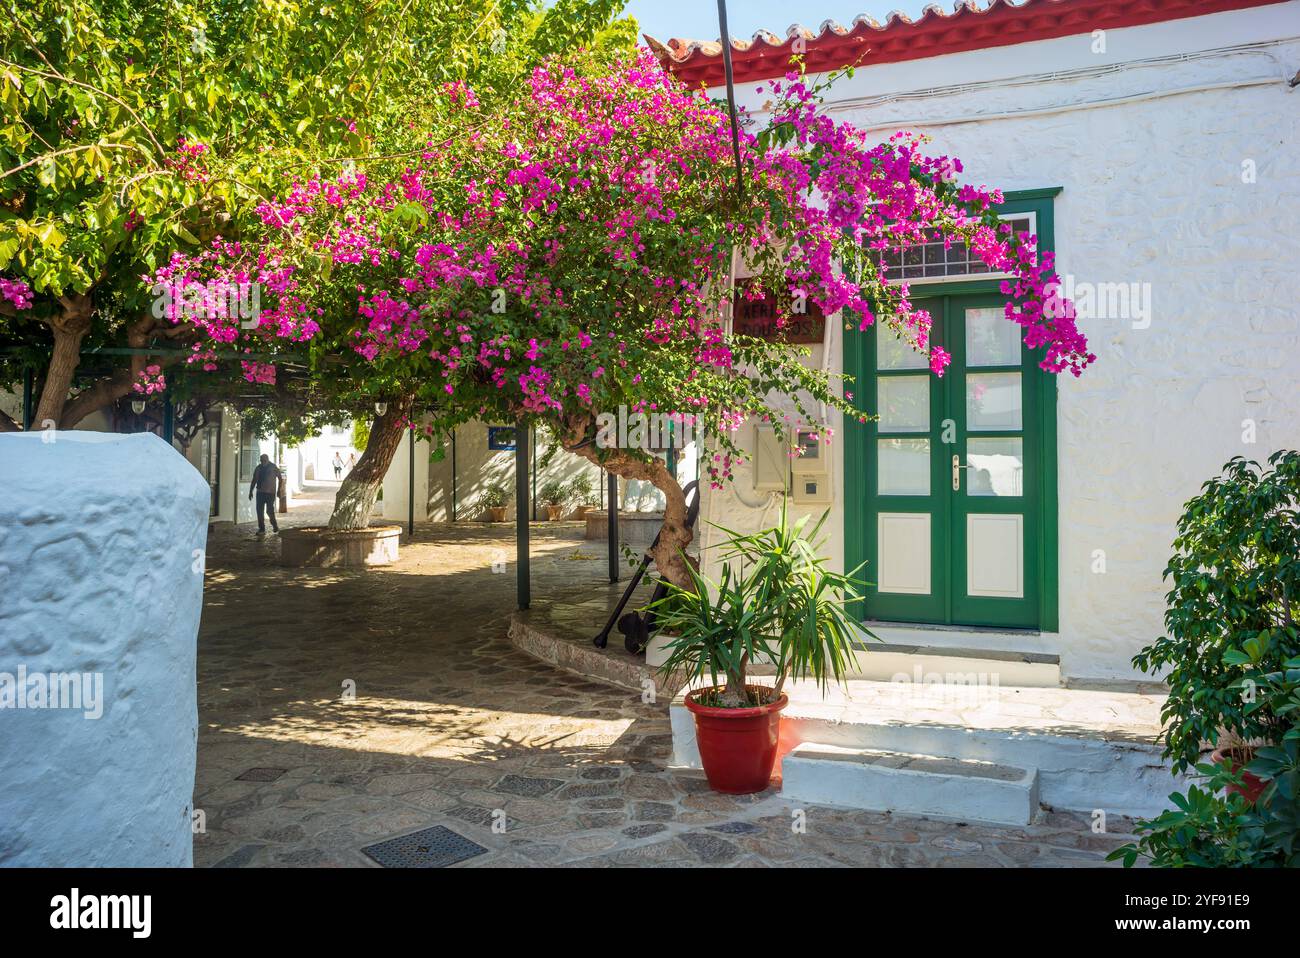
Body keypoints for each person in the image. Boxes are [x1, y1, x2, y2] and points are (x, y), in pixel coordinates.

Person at [249, 454, 282, 533]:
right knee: (259, 511)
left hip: (270, 493)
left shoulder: (273, 467)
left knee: (269, 510)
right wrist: (250, 491)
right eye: (261, 460)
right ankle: (262, 528)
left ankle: (274, 525)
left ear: (267, 459)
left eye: (263, 460)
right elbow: (254, 480)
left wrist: (279, 490)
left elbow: (280, 478)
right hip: (260, 492)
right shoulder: (258, 468)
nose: (262, 461)